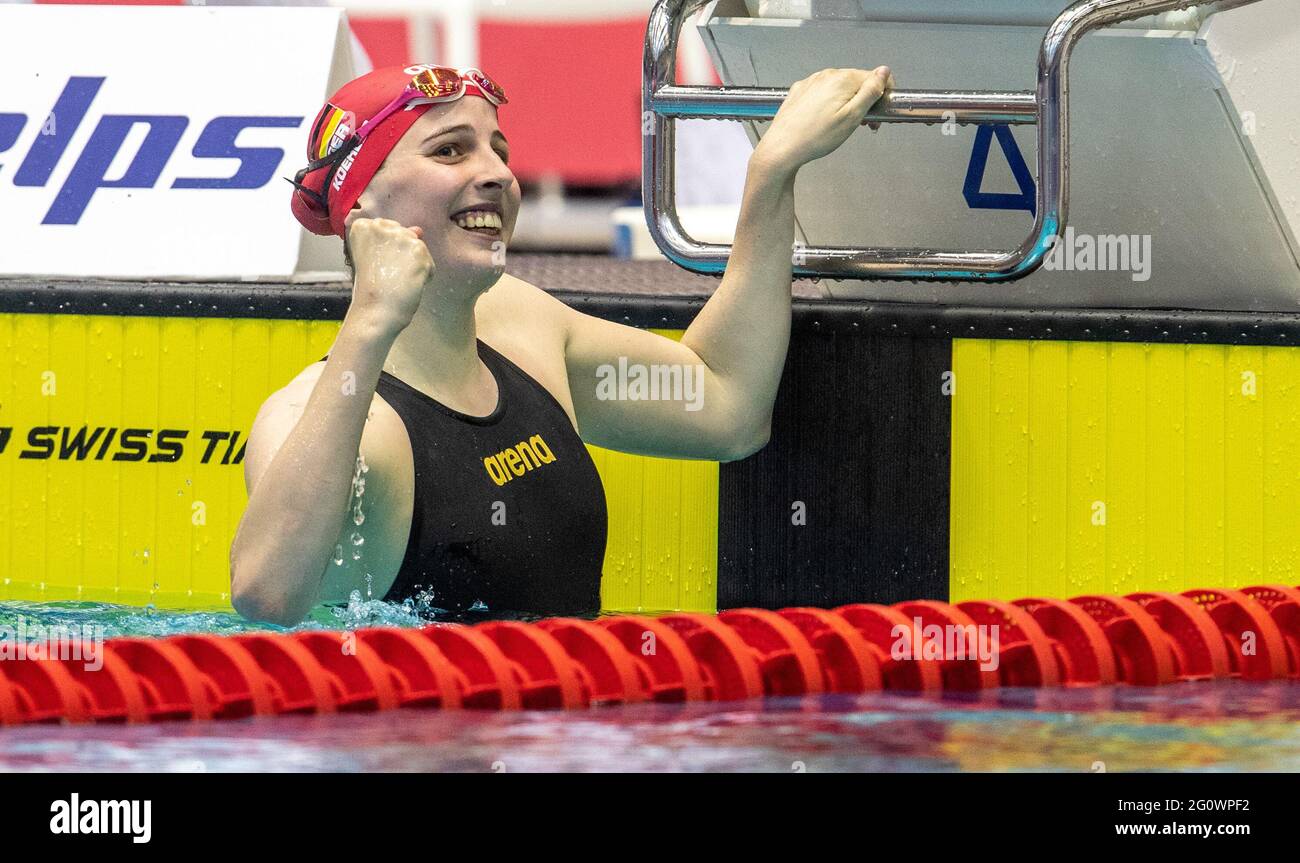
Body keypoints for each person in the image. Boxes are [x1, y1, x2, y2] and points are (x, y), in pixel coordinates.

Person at [229, 62, 897, 625]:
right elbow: (267, 593)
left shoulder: (522, 328)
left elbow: (725, 402)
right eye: (450, 150)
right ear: (362, 205)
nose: (496, 174)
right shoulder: (318, 415)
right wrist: (372, 319)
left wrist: (772, 171)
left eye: (499, 150)